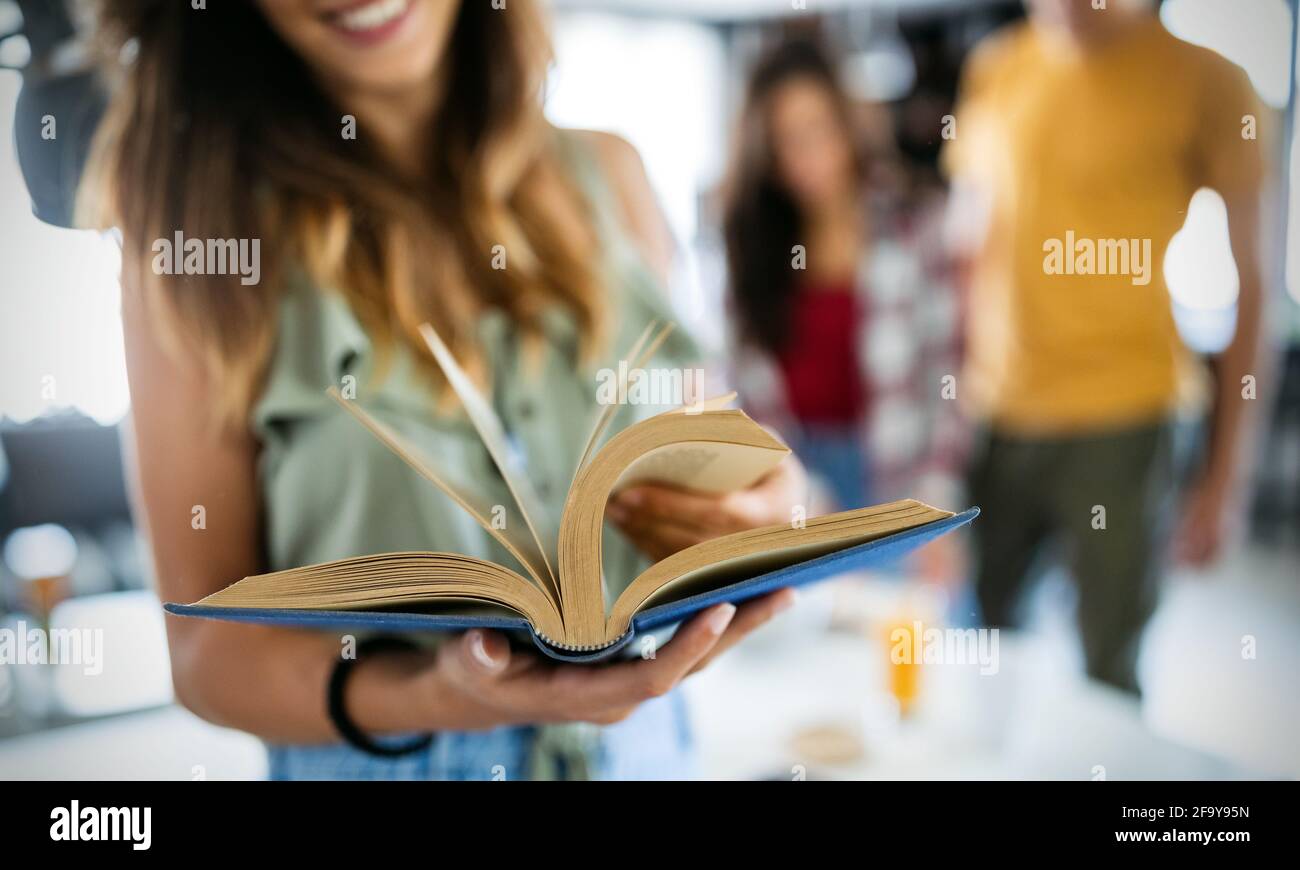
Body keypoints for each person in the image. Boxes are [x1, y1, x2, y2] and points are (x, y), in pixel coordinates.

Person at [81, 0, 804, 780]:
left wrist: (767, 505)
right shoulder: (199, 245)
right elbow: (203, 654)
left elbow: (717, 445)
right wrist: (437, 695)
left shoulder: (610, 174)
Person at [943, 0, 1271, 693]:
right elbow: (971, 250)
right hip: (997, 413)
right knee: (985, 644)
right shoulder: (998, 67)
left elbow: (1254, 286)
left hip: (1126, 415)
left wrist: (1224, 480)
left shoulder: (1207, 81)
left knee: (1107, 666)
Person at [720, 40, 965, 578]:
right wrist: (795, 490)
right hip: (800, 485)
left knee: (909, 646)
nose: (804, 157)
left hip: (901, 480)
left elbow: (950, 377)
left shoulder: (913, 225)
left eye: (817, 130)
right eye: (784, 142)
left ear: (848, 125)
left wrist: (936, 507)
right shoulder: (753, 249)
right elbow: (744, 394)